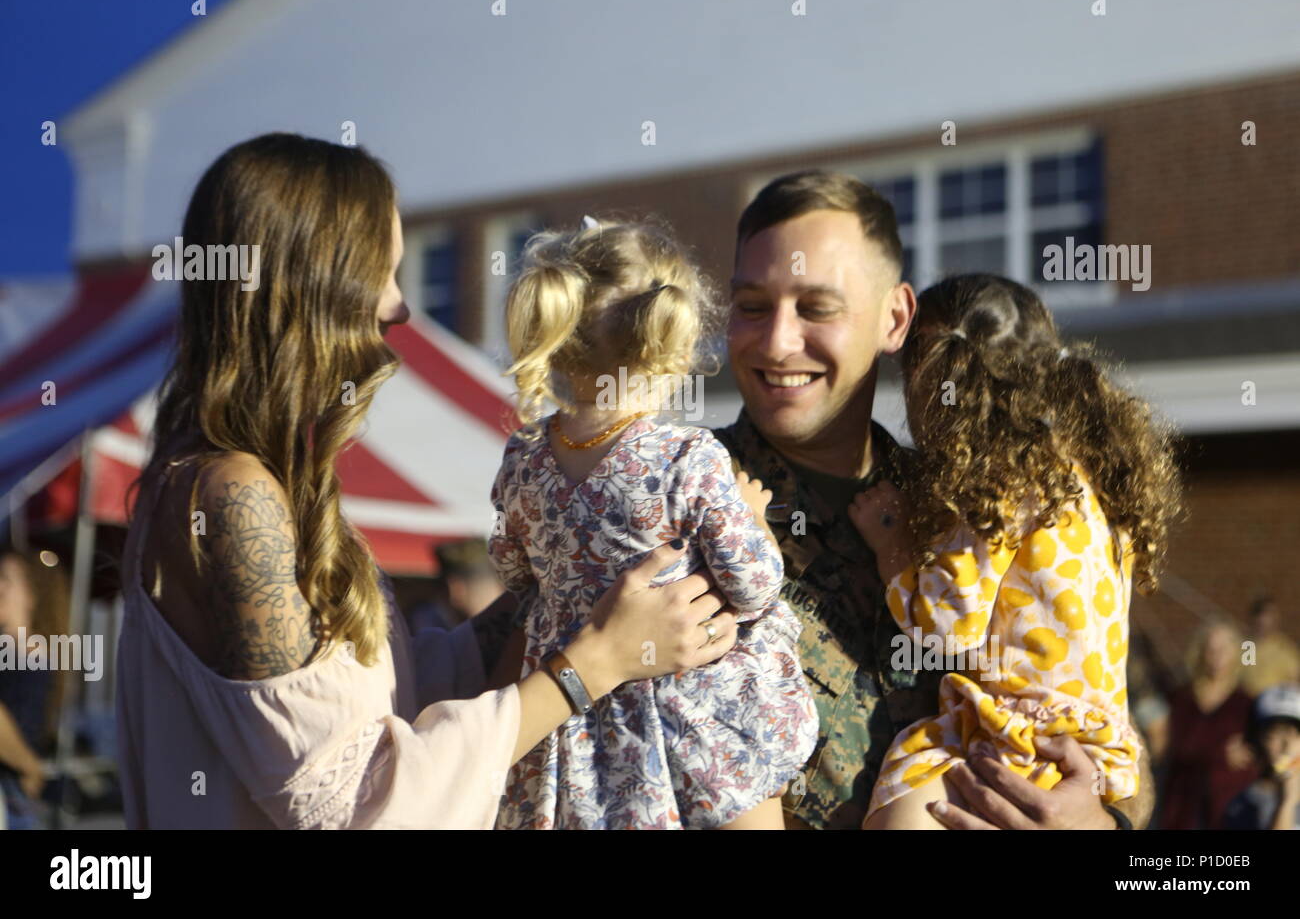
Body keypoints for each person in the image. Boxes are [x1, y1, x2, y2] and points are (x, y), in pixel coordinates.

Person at [116, 133, 740, 829]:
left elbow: (388, 698)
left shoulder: (250, 479)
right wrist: (591, 665)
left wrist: (571, 582)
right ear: (317, 281)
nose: (398, 307)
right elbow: (342, 802)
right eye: (382, 274)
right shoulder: (233, 495)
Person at [713, 169, 1157, 828]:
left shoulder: (976, 499)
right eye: (753, 305)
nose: (778, 341)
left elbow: (1104, 732)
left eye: (816, 307)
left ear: (896, 320)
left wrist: (1102, 824)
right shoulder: (679, 504)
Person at [490, 217, 818, 829]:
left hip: (572, 719)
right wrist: (755, 522)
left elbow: (512, 569)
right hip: (688, 710)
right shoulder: (686, 459)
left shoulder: (524, 457)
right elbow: (751, 586)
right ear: (673, 343)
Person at [847, 273, 1182, 828]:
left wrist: (891, 548)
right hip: (1095, 750)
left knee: (903, 814)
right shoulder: (1088, 477)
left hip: (1016, 741)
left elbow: (947, 629)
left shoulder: (994, 485)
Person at [1160, 618, 1258, 829]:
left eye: (1223, 648)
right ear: (1200, 653)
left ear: (1235, 653)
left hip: (1228, 806)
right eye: (1210, 649)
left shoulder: (1247, 704)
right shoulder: (1181, 699)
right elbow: (1179, 746)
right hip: (1182, 804)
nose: (1217, 656)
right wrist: (1221, 752)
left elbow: (1254, 754)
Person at [0, 550, 68, 830]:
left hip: (10, 791)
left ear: (32, 594)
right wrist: (32, 768)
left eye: (5, 579)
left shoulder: (31, 657)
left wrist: (28, 768)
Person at [1222, 683, 1300, 829]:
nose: (1286, 745)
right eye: (1274, 734)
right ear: (1258, 741)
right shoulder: (1243, 805)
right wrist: (1287, 803)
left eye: (1294, 733)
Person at [1241, 597, 1300, 697]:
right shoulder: (1245, 646)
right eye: (1261, 615)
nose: (1264, 620)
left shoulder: (1284, 648)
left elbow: (1294, 680)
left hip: (1273, 704)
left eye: (1269, 615)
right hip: (1246, 702)